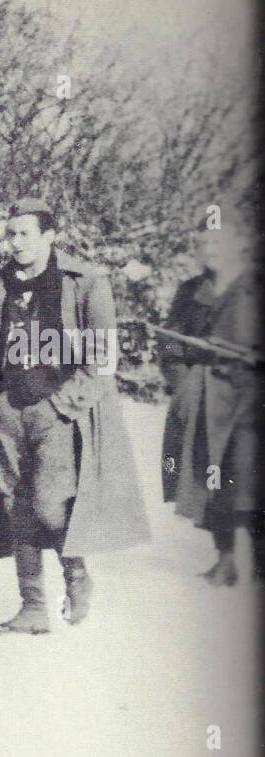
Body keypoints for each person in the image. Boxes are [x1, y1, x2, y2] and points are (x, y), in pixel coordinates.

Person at [0, 198, 149, 631]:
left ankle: (76, 574)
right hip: (8, 410)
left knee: (50, 505)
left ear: (48, 235)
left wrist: (62, 405)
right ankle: (33, 606)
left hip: (59, 411)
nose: (16, 242)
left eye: (25, 233)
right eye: (11, 233)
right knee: (11, 504)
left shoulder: (85, 282)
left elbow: (101, 358)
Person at [159, 221, 262, 584]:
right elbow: (169, 344)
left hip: (253, 400)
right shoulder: (191, 291)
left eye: (219, 241)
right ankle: (227, 557)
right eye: (204, 242)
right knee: (214, 476)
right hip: (206, 399)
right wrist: (183, 383)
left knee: (251, 475)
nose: (211, 249)